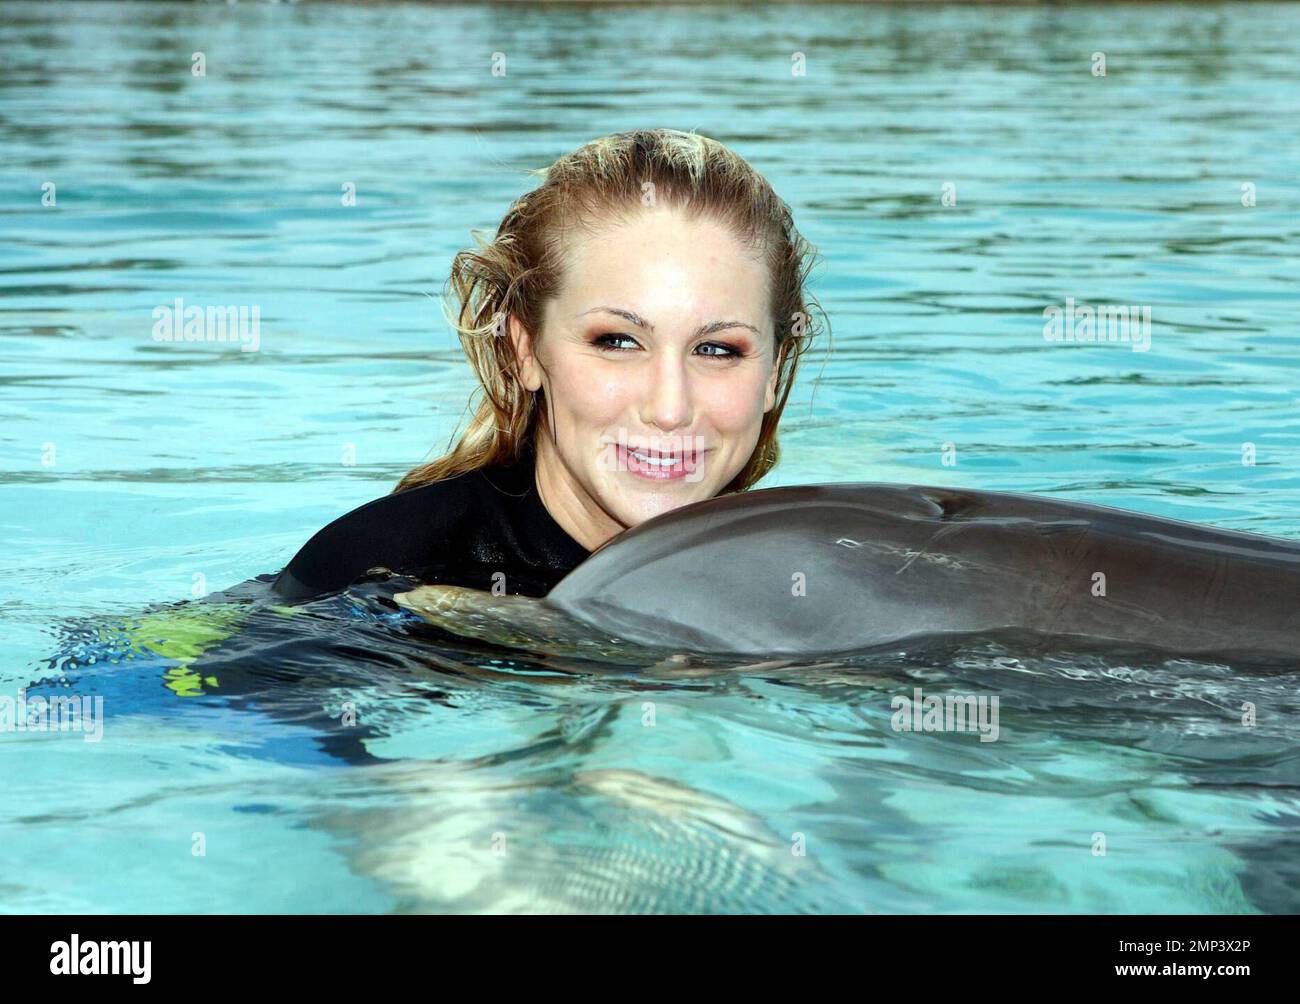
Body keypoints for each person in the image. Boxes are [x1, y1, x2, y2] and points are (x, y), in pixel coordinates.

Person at [273, 128, 826, 604]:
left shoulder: (814, 578)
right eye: (617, 341)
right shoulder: (379, 573)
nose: (670, 409)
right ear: (524, 349)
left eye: (717, 350)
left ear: (773, 372)